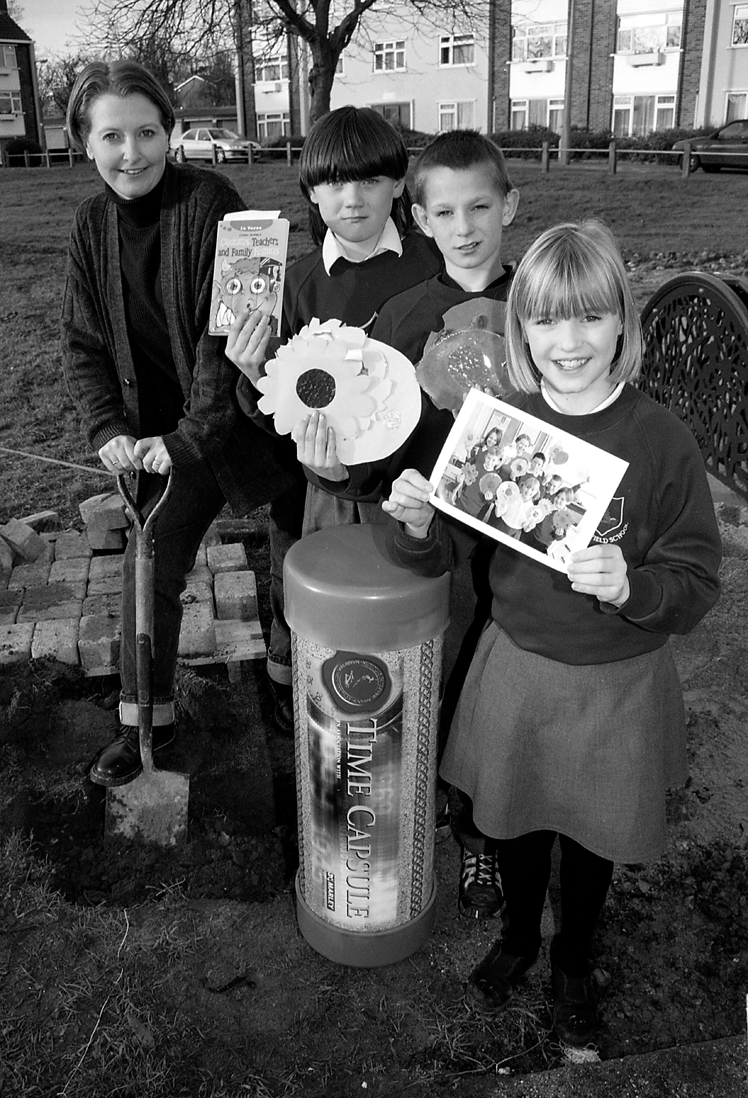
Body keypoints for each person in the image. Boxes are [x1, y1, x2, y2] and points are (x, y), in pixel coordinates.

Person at [381, 219, 721, 1049]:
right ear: (521, 328)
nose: (568, 342)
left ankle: (573, 956)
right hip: (520, 666)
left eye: (591, 317)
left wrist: (635, 585)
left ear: (623, 324)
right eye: (545, 320)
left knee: (593, 835)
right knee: (518, 820)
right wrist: (418, 524)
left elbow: (698, 577)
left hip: (617, 678)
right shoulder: (500, 428)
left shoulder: (661, 440)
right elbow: (442, 553)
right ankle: (519, 938)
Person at [61, 60, 294, 787]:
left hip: (248, 424)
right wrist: (107, 430)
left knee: (290, 551)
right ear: (84, 142)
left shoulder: (213, 202)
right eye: (111, 136)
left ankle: (290, 683)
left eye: (147, 131)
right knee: (150, 562)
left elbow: (227, 338)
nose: (131, 153)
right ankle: (145, 722)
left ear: (173, 131)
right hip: (166, 443)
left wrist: (186, 438)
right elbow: (83, 342)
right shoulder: (89, 225)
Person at [225, 106, 442, 733]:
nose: (353, 199)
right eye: (335, 183)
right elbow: (276, 421)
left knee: (409, 626)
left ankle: (412, 736)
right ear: (311, 192)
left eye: (372, 180)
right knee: (324, 633)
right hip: (321, 497)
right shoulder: (291, 287)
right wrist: (254, 373)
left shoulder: (433, 265)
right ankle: (316, 740)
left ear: (400, 184)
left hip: (417, 491)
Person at [371, 129, 521, 919]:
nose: (465, 226)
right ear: (421, 219)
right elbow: (371, 437)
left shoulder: (541, 307)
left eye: (481, 206)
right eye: (446, 211)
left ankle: (482, 838)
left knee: (496, 696)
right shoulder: (401, 317)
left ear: (509, 207)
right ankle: (419, 804)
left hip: (526, 549)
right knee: (438, 675)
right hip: (439, 541)